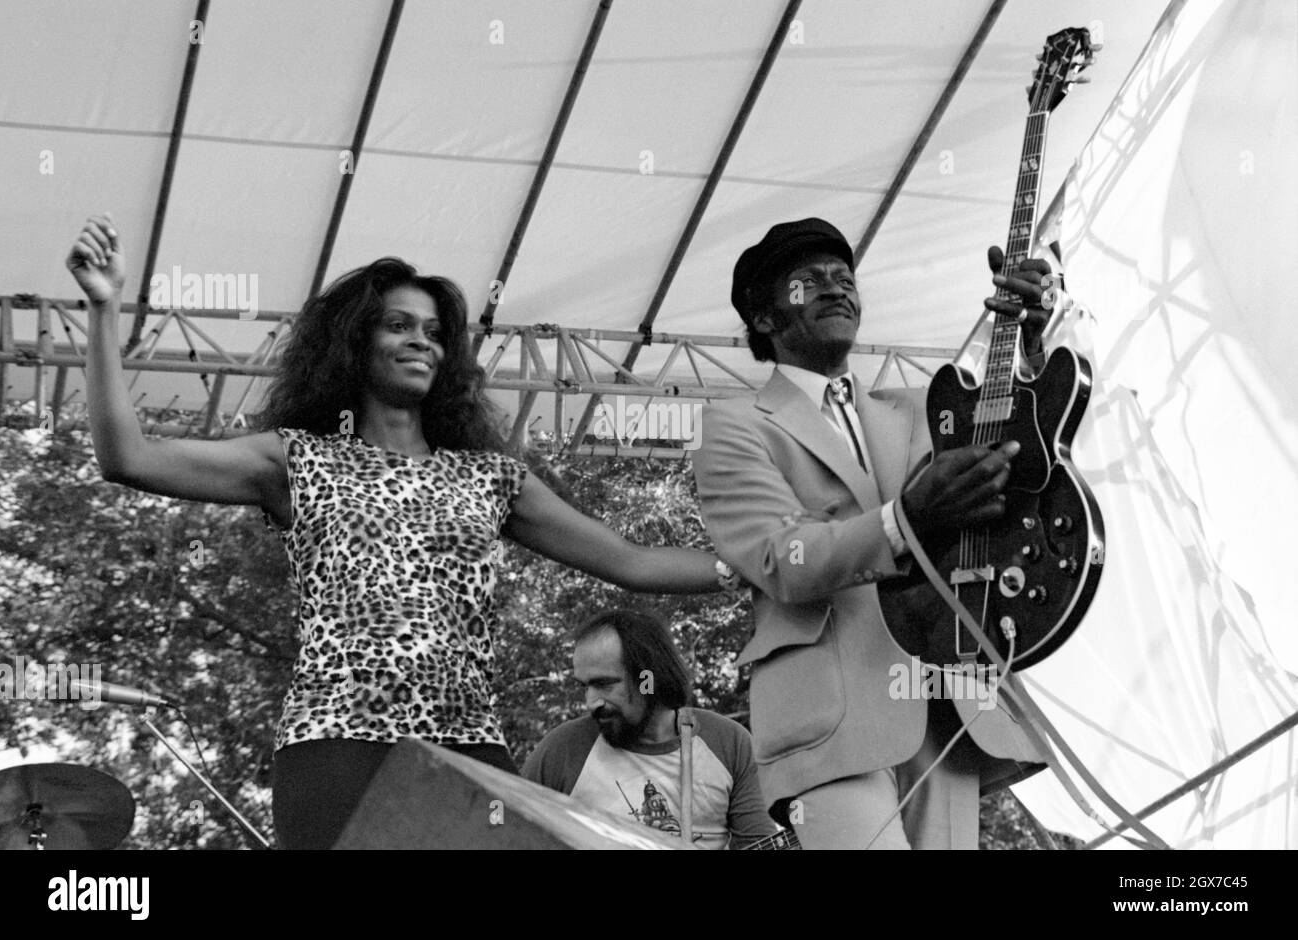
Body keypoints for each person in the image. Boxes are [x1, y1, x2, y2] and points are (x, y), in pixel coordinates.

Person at [66, 213, 734, 850]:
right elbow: (129, 458)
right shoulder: (295, 458)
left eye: (436, 331)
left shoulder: (488, 477)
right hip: (336, 743)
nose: (422, 340)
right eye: (398, 325)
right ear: (356, 343)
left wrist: (769, 567)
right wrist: (104, 310)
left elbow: (632, 562)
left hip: (467, 742)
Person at [691, 218, 1055, 850]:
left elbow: (1023, 463)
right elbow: (783, 560)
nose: (836, 289)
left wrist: (1030, 343)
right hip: (832, 722)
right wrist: (906, 517)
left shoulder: (921, 406)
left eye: (846, 277)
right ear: (766, 321)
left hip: (947, 699)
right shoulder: (732, 427)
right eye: (808, 282)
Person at [522, 608, 778, 850]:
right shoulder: (563, 749)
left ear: (648, 679)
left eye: (604, 684)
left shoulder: (728, 742)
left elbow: (757, 838)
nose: (591, 702)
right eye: (585, 686)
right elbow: (498, 824)